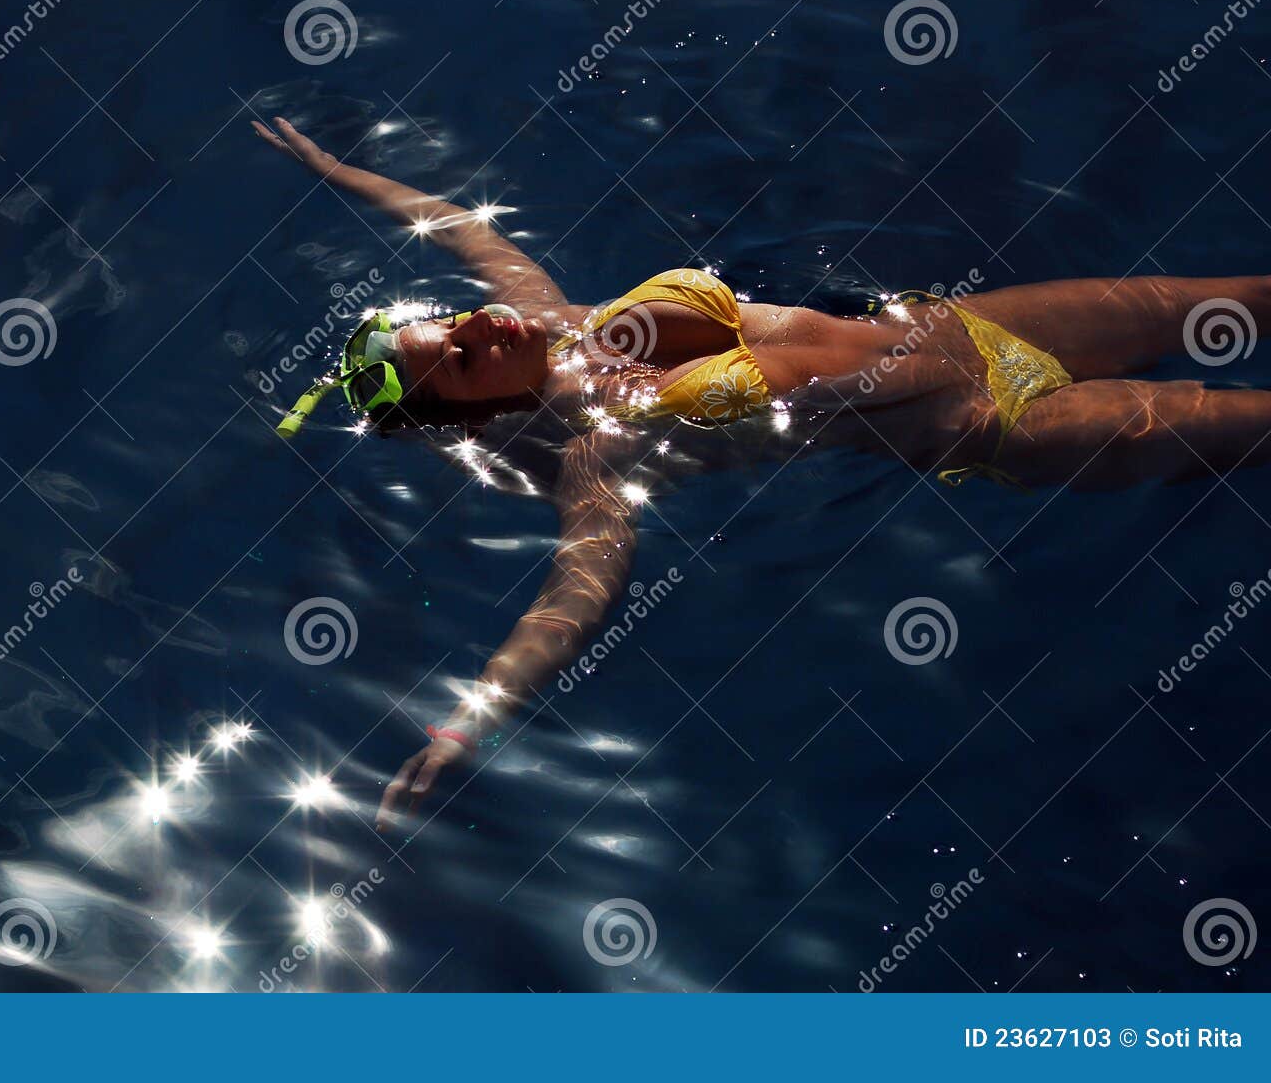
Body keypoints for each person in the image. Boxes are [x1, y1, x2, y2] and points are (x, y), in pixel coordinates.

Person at [253, 116, 1271, 830]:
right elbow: (578, 589)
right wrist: (473, 716)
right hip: (987, 420)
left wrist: (336, 167)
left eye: (458, 324)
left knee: (1244, 297)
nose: (484, 323)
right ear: (481, 410)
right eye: (466, 358)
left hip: (961, 324)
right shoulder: (600, 452)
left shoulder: (554, 317)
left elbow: (461, 225)